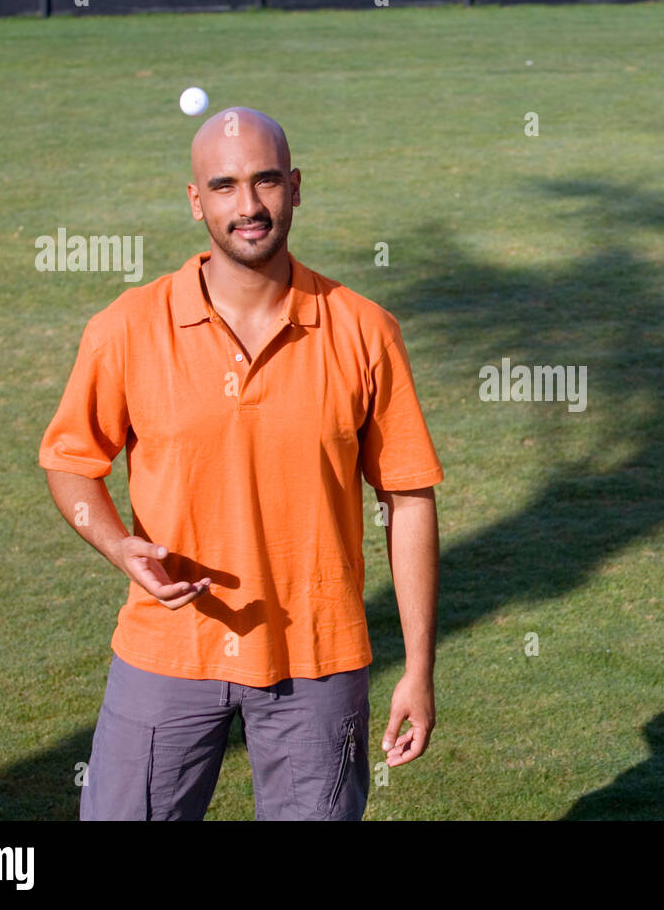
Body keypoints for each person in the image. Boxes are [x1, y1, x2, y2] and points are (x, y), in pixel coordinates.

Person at [38, 107, 443, 820]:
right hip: (165, 651)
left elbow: (408, 498)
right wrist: (116, 544)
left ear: (295, 186)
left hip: (319, 659)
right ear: (196, 200)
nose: (248, 206)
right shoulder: (126, 329)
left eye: (265, 182)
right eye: (223, 186)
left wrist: (419, 669)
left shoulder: (365, 330)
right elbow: (70, 459)